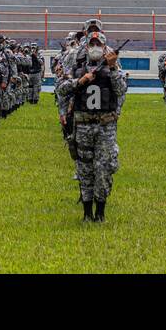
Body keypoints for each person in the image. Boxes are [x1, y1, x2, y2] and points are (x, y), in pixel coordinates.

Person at [56, 27, 127, 221]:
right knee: (85, 169)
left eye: (99, 44)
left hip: (105, 126)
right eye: (92, 44)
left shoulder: (113, 67)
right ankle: (87, 213)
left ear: (105, 47)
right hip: (83, 124)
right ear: (86, 47)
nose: (95, 47)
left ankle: (100, 212)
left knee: (104, 168)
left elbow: (121, 90)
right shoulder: (76, 67)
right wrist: (79, 82)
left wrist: (112, 68)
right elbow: (61, 89)